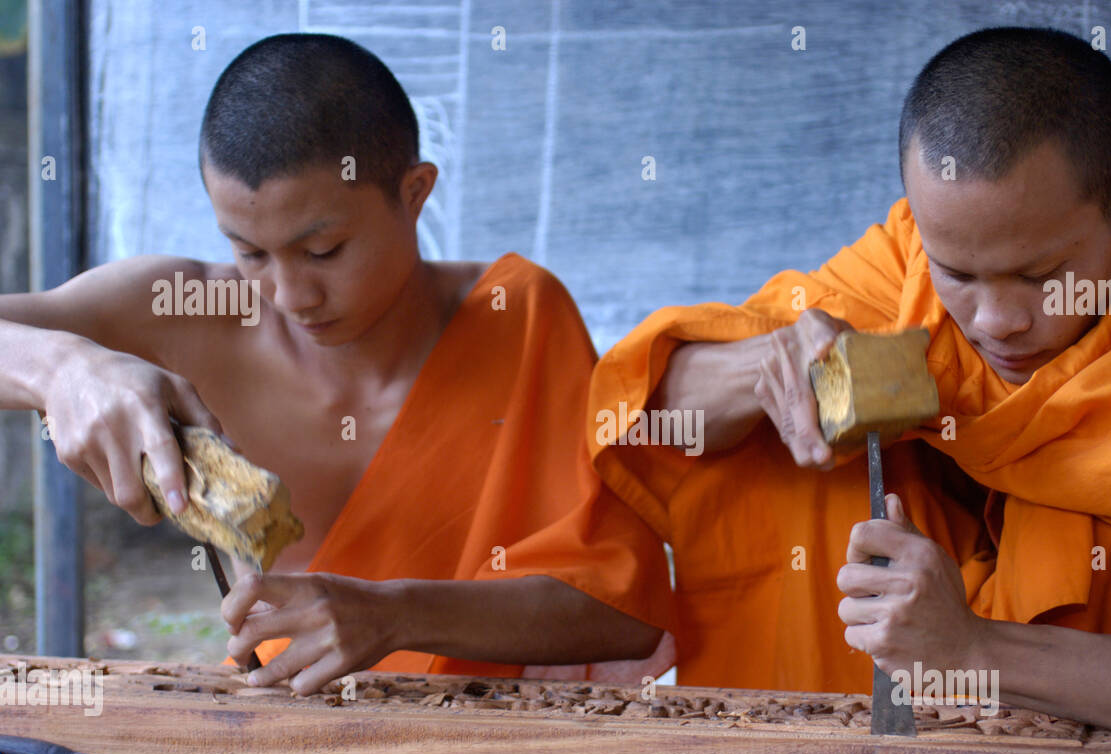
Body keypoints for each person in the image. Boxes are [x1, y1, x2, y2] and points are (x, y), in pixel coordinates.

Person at [586, 27, 1111, 754]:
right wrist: (766, 368)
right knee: (786, 453)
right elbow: (649, 411)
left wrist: (976, 650)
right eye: (959, 272)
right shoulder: (908, 276)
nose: (996, 321)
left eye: (1041, 277)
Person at [0, 33, 674, 696]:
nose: (290, 295)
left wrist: (395, 613)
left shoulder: (515, 314)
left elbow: (620, 610)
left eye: (322, 251)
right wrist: (60, 368)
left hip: (490, 751)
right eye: (250, 253)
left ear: (414, 192)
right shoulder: (187, 312)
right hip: (289, 749)